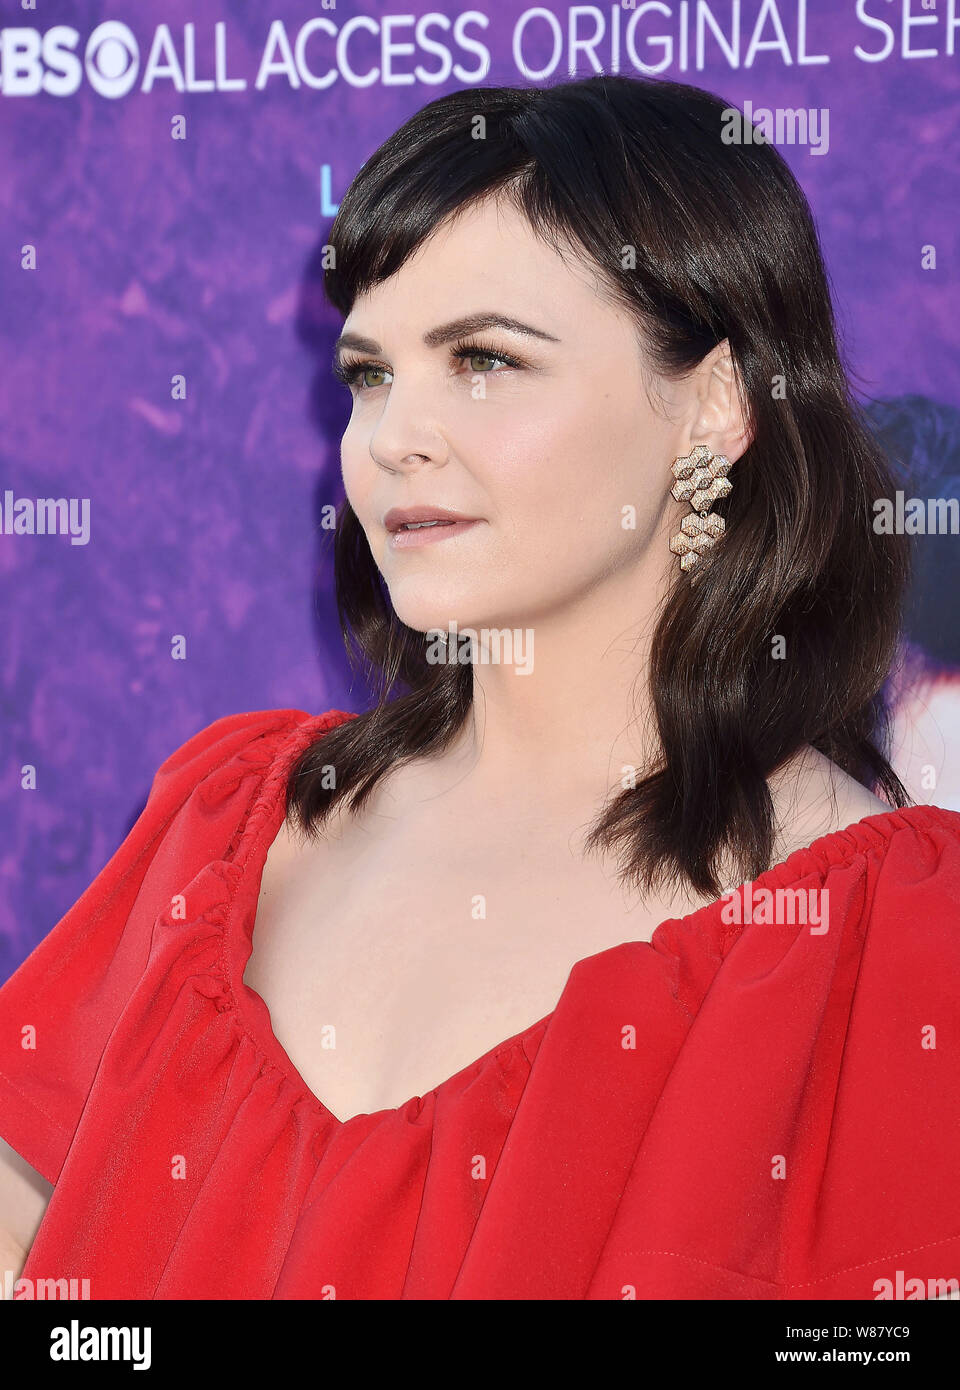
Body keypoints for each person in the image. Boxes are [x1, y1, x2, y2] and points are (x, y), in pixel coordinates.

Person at [2, 75, 959, 1301]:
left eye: (485, 360)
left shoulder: (884, 940)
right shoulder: (229, 828)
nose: (393, 436)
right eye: (369, 374)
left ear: (715, 407)